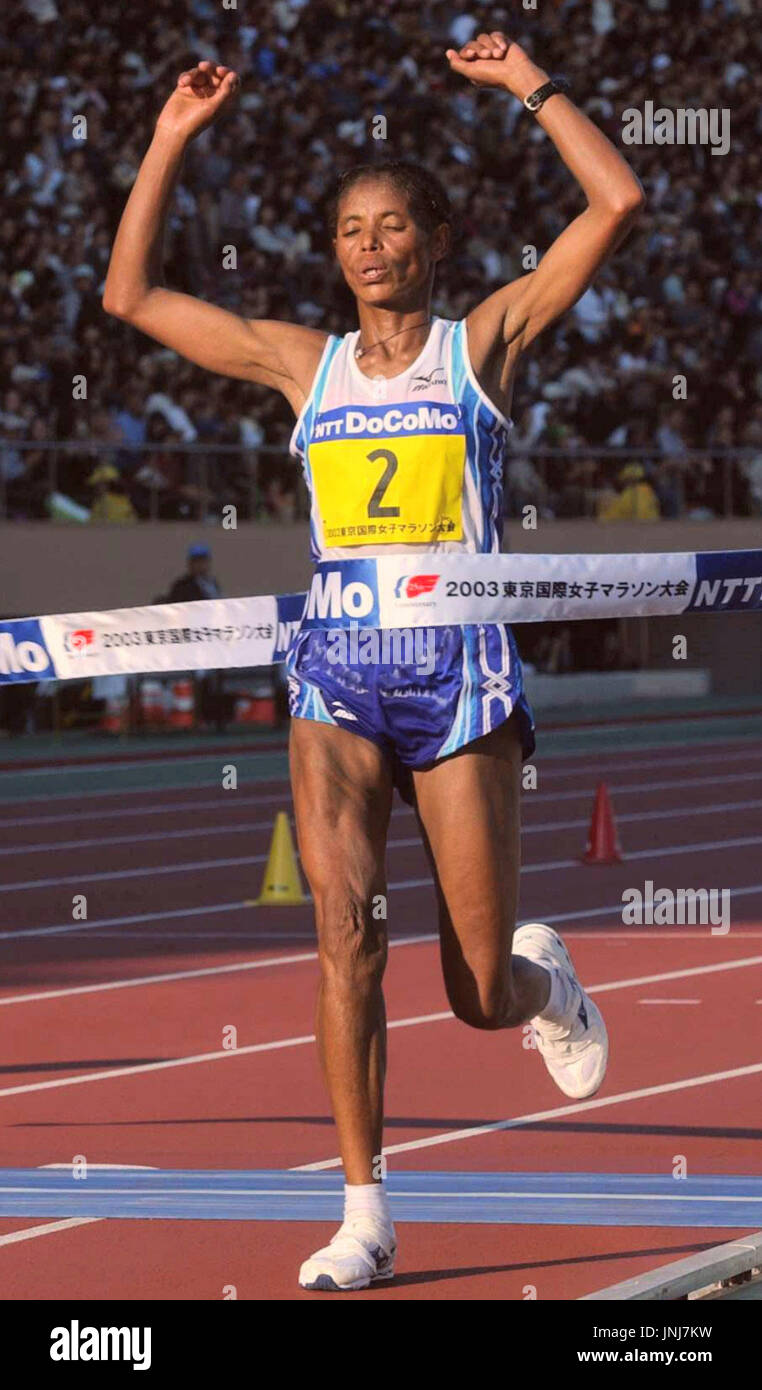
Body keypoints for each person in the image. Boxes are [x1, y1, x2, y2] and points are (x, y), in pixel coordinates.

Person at [103, 33, 645, 1292]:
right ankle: (367, 1212)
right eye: (350, 228)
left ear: (436, 242)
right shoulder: (308, 363)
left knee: (476, 990)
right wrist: (172, 136)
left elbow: (617, 199)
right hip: (337, 673)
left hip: (461, 673)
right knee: (342, 928)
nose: (366, 245)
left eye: (392, 225)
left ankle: (542, 980)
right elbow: (129, 299)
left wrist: (528, 87)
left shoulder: (486, 344)